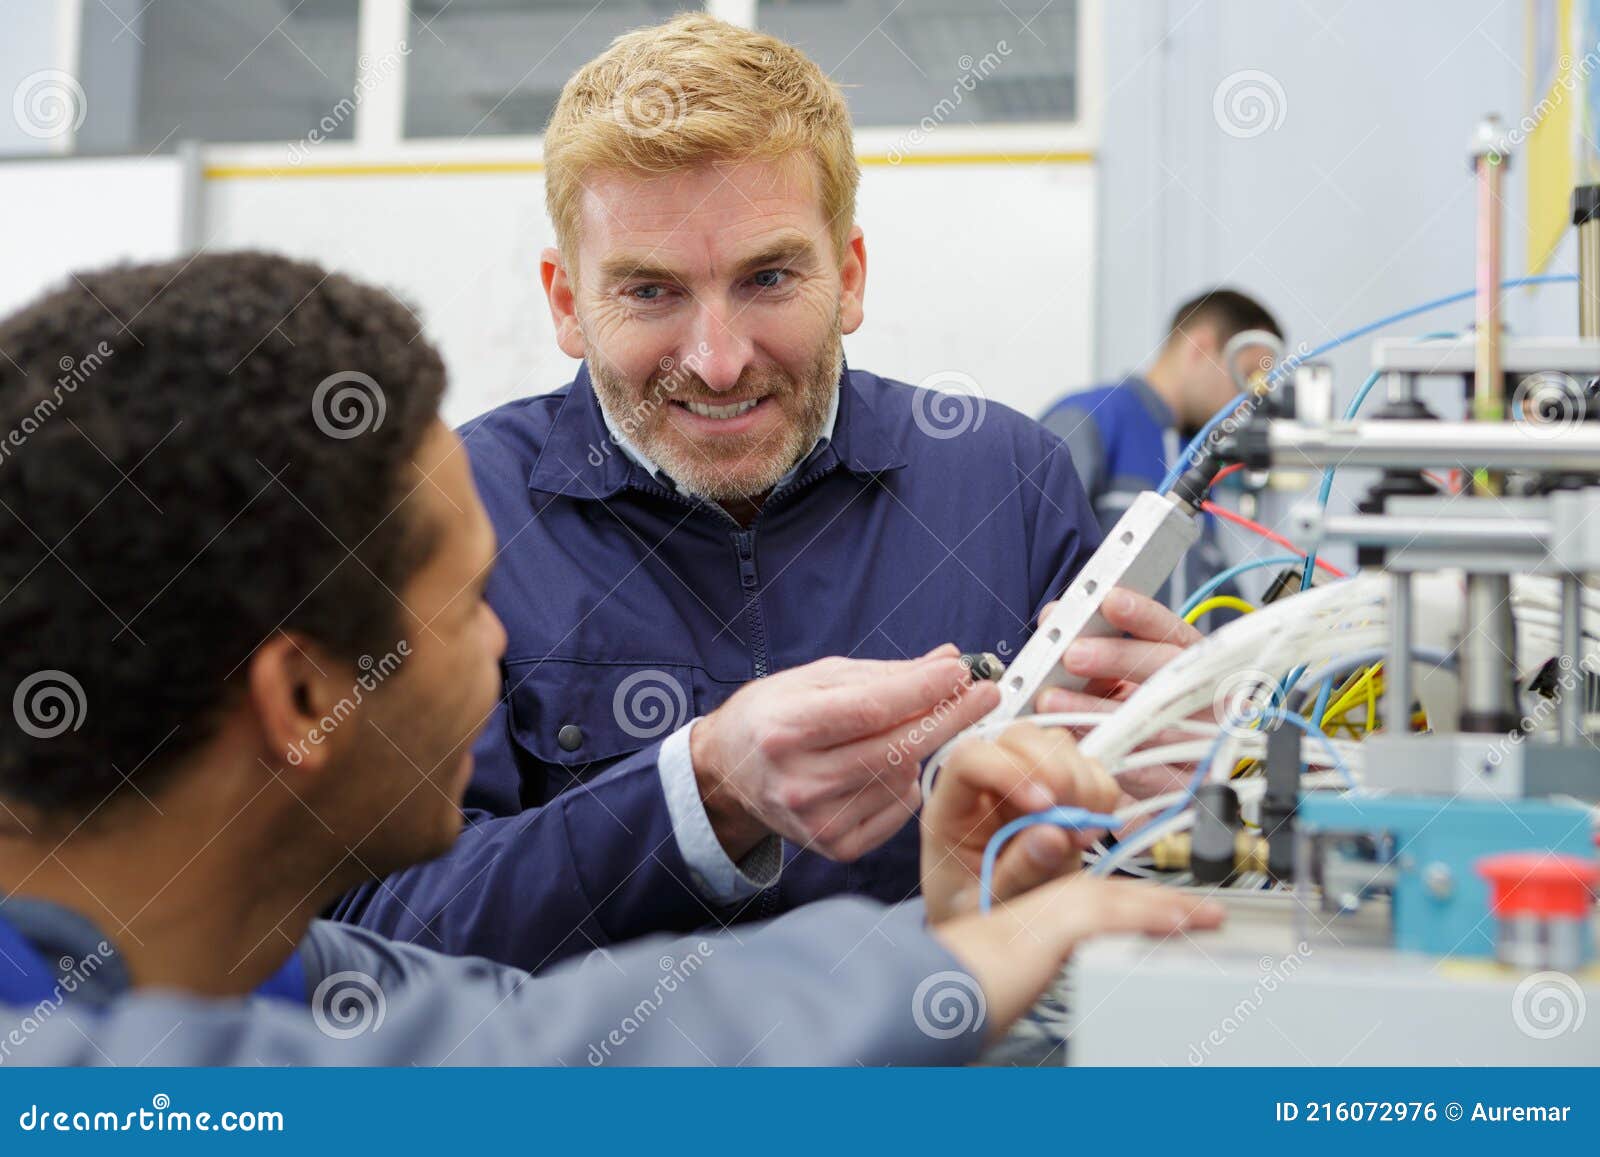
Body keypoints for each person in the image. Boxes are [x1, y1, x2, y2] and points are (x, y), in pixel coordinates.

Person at [0, 253, 1221, 1065]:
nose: (501, 634)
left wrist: (955, 930)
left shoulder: (255, 967)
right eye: (472, 599)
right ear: (309, 696)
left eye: (768, 276)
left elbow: (524, 1030)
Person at [334, 12, 1205, 971]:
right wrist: (697, 795)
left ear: (852, 276)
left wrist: (1163, 793)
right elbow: (376, 928)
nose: (717, 362)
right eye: (650, 292)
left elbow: (1110, 887)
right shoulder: (455, 514)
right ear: (567, 303)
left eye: (769, 277)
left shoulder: (1007, 482)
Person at [1039, 289, 1284, 609]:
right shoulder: (1088, 420)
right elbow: (1031, 565)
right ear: (1201, 347)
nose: (1249, 402)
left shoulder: (1195, 457)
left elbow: (1209, 598)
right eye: (1248, 376)